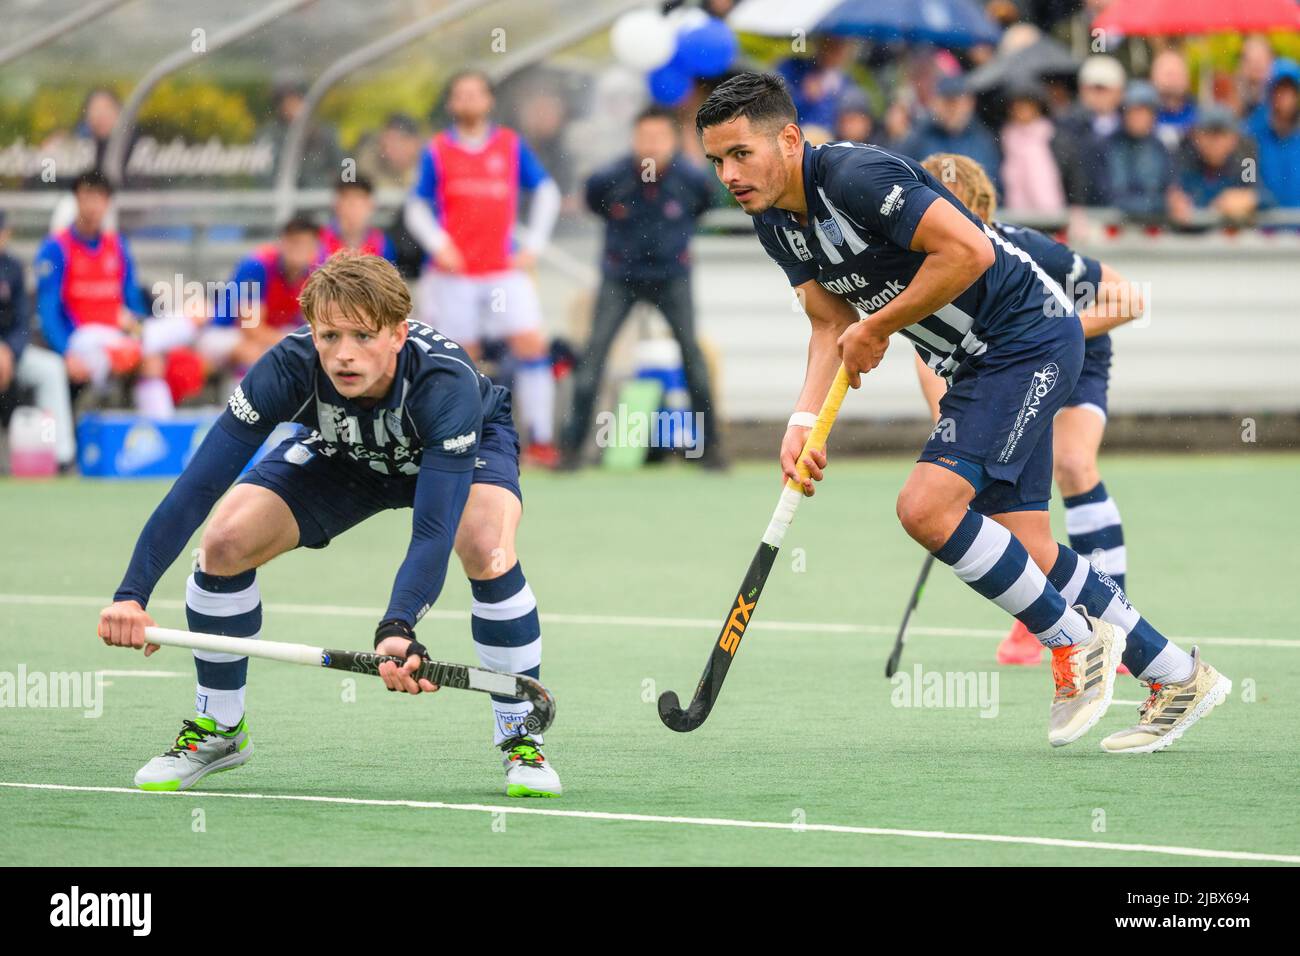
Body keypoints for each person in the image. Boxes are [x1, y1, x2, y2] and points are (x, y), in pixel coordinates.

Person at [695, 72, 1229, 753]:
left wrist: (880, 325)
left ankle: (1072, 639)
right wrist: (803, 427)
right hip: (978, 365)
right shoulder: (775, 223)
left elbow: (969, 250)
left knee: (925, 507)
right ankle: (1178, 675)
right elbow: (829, 324)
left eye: (741, 154)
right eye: (717, 161)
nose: (728, 175)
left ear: (790, 139)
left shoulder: (855, 176)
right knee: (1031, 547)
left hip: (1027, 339)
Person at [95, 252, 560, 798]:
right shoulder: (287, 367)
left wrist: (397, 628)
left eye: (363, 336)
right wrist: (132, 594)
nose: (343, 355)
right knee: (223, 542)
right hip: (346, 452)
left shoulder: (443, 385)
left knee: (486, 545)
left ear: (397, 333)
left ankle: (520, 740)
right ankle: (219, 729)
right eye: (329, 336)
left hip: (456, 452)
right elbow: (198, 486)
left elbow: (432, 531)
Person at [916, 153, 1145, 667]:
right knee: (997, 497)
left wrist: (1037, 335)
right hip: (995, 370)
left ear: (977, 209)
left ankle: (1116, 618)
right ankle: (1043, 617)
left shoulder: (1022, 245)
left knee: (1073, 465)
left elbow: (1128, 300)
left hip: (1070, 350)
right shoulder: (925, 264)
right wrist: (950, 431)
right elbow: (927, 356)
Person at [404, 70, 562, 467]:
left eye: (476, 94)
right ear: (452, 104)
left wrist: (534, 246)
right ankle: (462, 438)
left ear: (489, 101)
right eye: (461, 95)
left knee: (532, 345)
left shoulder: (509, 145)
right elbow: (416, 206)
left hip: (502, 270)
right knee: (461, 357)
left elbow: (546, 191)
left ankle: (541, 438)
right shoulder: (438, 150)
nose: (469, 101)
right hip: (454, 278)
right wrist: (441, 246)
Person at [563, 106, 723, 468]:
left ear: (674, 141)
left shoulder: (693, 179)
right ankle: (570, 452)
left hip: (672, 277)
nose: (650, 145)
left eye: (658, 138)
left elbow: (705, 206)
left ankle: (710, 451)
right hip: (620, 277)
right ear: (633, 139)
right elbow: (593, 203)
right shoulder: (608, 179)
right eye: (643, 137)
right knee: (593, 358)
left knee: (692, 359)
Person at [33, 171, 174, 417]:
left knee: (153, 358)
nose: (93, 205)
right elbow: (48, 310)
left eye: (99, 197)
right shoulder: (56, 248)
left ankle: (161, 439)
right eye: (87, 196)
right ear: (76, 199)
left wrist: (136, 334)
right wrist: (67, 352)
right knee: (141, 358)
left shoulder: (117, 246)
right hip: (80, 342)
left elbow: (133, 303)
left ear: (108, 202)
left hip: (115, 339)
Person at [0, 211, 75, 469]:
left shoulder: (13, 268)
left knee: (51, 369)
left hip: (11, 355)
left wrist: (8, 351)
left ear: (6, 234)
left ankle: (62, 457)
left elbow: (23, 322)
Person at [210, 216, 321, 369]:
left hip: (269, 334)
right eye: (295, 242)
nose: (299, 250)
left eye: (306, 244)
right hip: (225, 332)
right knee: (255, 353)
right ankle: (242, 393)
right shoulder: (257, 266)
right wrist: (295, 341)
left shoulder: (313, 273)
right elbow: (250, 328)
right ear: (283, 242)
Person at [897, 75, 1001, 193]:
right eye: (946, 102)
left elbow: (993, 184)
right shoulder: (918, 138)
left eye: (957, 103)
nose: (952, 109)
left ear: (970, 103)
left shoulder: (984, 139)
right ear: (935, 103)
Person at [1168, 106, 1264, 228]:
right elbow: (1170, 192)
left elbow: (1266, 197)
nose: (1215, 142)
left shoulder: (1245, 162)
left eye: (1221, 134)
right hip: (1192, 240)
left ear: (1233, 139)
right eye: (1209, 134)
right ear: (1196, 137)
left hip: (1231, 242)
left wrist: (1250, 198)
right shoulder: (1185, 160)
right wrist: (1172, 201)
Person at [1053, 55, 1126, 206]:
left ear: (1119, 91)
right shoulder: (1066, 127)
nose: (1097, 95)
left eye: (1103, 89)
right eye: (1092, 88)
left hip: (1124, 213)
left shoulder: (1131, 126)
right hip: (1080, 214)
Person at [1102, 81, 1174, 222]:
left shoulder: (1160, 147)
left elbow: (1169, 187)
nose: (1138, 117)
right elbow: (1114, 197)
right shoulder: (1109, 146)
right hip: (1116, 227)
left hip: (1155, 229)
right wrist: (1163, 204)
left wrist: (1172, 201)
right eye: (1133, 110)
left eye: (1145, 111)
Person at [1246, 59, 1300, 210]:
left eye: (1291, 90)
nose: (1285, 96)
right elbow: (1246, 183)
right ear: (1270, 92)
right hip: (1263, 229)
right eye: (1279, 89)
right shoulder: (1251, 134)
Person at [318, 177, 397, 264]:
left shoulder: (382, 243)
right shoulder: (319, 241)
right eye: (349, 202)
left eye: (359, 202)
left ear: (371, 205)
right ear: (336, 205)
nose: (353, 209)